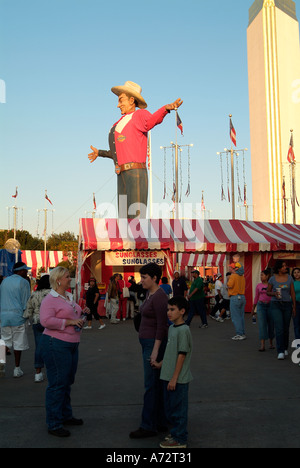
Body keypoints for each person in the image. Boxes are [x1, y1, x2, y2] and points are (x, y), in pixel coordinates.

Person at [88, 81, 183, 218]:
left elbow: (151, 121)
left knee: (136, 217)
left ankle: (139, 239)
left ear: (132, 100)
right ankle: (127, 239)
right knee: (123, 217)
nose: (118, 104)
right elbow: (118, 153)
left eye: (121, 100)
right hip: (121, 175)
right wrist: (100, 153)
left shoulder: (139, 115)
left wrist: (165, 109)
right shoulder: (118, 123)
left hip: (135, 174)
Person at [39, 267, 89, 437]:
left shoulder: (67, 297)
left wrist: (83, 313)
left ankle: (65, 415)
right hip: (56, 344)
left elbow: (74, 313)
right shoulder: (50, 299)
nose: (70, 279)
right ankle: (54, 423)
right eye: (68, 277)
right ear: (59, 280)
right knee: (58, 384)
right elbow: (45, 321)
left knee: (66, 381)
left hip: (71, 343)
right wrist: (69, 322)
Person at [129, 263, 169, 439]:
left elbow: (162, 326)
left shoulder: (160, 296)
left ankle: (148, 426)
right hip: (147, 343)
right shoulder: (149, 294)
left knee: (151, 385)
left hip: (153, 344)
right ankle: (160, 421)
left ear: (154, 278)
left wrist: (155, 350)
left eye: (144, 277)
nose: (141, 280)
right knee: (156, 385)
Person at [152, 296, 193, 449]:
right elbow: (171, 351)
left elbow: (181, 355)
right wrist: (160, 364)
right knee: (171, 408)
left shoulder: (184, 330)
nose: (168, 312)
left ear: (182, 311)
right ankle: (176, 433)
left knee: (178, 409)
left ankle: (180, 438)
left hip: (178, 379)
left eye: (172, 309)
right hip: (168, 376)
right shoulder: (171, 328)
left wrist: (174, 378)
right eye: (168, 309)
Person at [0, 262, 31, 377]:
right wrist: (27, 315)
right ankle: (17, 369)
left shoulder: (4, 281)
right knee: (18, 343)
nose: (27, 272)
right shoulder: (23, 282)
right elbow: (26, 301)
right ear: (21, 271)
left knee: (4, 341)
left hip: (4, 316)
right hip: (17, 316)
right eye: (25, 270)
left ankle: (1, 364)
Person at [23, 274, 51, 382]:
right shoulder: (52, 295)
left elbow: (28, 311)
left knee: (39, 347)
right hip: (50, 322)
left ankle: (38, 373)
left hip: (37, 322)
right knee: (51, 347)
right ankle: (50, 370)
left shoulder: (34, 295)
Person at [267, 261, 296, 360]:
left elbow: (292, 293)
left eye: (285, 266)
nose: (285, 267)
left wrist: (294, 306)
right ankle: (280, 351)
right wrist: (274, 294)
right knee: (279, 328)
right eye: (283, 266)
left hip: (287, 304)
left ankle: (285, 347)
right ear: (278, 268)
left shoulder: (289, 278)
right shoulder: (272, 278)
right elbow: (267, 292)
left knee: (286, 328)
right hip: (276, 304)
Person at [251, 270, 274, 352]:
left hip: (271, 305)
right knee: (262, 325)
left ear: (267, 276)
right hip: (261, 306)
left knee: (271, 324)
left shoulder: (271, 285)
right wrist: (253, 308)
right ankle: (262, 344)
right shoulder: (258, 286)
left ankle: (271, 343)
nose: (261, 277)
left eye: (262, 275)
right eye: (260, 275)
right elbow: (256, 297)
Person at [227, 262, 246, 341]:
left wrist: (228, 280)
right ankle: (242, 333)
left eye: (231, 267)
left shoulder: (233, 276)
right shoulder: (242, 277)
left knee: (235, 317)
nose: (230, 268)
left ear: (235, 269)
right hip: (242, 297)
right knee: (241, 316)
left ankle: (239, 333)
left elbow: (229, 285)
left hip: (234, 297)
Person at [292, 268, 300, 341]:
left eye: (298, 272)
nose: (296, 274)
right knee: (296, 325)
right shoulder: (292, 283)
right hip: (296, 305)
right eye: (295, 272)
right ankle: (298, 343)